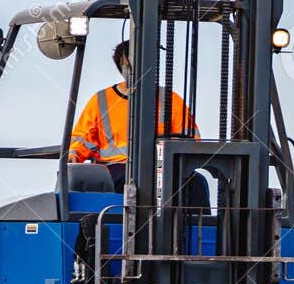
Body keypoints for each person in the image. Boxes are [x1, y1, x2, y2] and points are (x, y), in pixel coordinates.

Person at [68, 41, 197, 184]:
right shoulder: (101, 100)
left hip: (162, 168)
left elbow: (191, 139)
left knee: (197, 182)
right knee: (130, 180)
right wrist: (75, 154)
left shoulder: (170, 100)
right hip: (114, 168)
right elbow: (82, 139)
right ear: (123, 63)